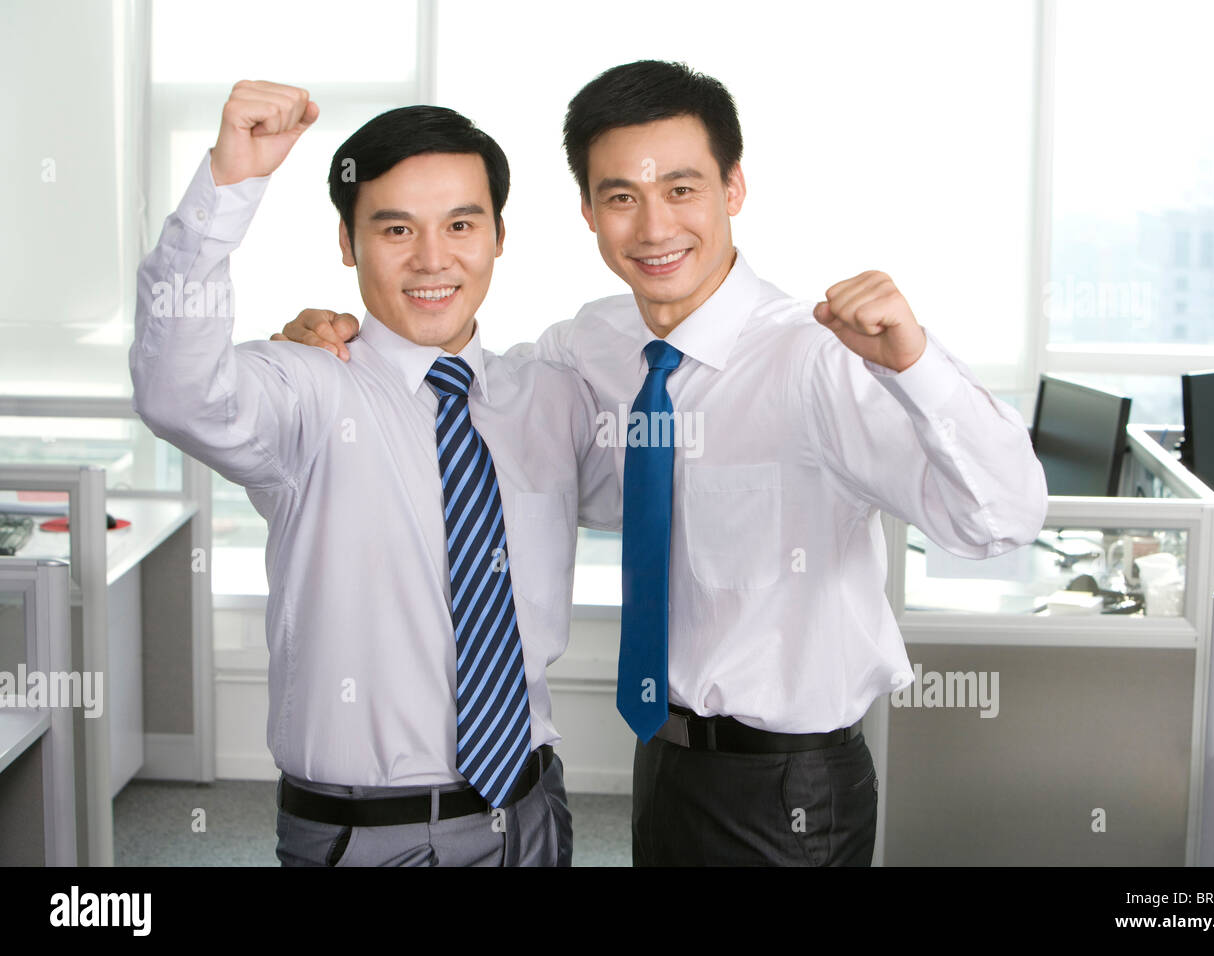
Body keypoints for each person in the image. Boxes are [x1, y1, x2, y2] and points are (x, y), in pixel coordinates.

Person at [277, 60, 1049, 866]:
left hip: (786, 784)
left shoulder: (818, 360)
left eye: (681, 189)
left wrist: (917, 364)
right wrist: (341, 344)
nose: (653, 228)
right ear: (587, 212)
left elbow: (1001, 519)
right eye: (621, 197)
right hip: (665, 756)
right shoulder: (594, 345)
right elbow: (471, 393)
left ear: (733, 189)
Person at [130, 81, 619, 866]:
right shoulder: (307, 386)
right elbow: (177, 391)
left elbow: (678, 469)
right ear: (348, 243)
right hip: (371, 839)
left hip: (530, 813)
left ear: (498, 235)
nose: (433, 258)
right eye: (396, 229)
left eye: (461, 224)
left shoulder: (547, 396)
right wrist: (228, 185)